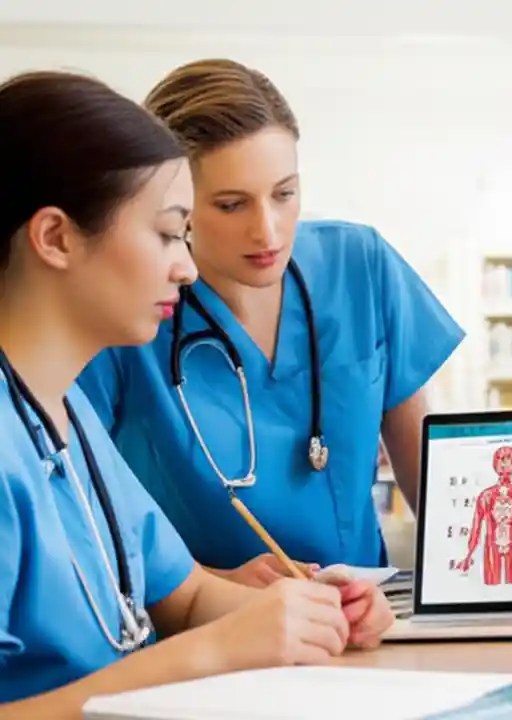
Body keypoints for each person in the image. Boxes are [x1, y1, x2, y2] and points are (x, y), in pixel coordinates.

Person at [0, 70, 392, 715]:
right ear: (56, 238)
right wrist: (209, 654)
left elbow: (184, 596)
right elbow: (195, 639)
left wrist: (317, 612)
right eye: (165, 233)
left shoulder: (68, 417)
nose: (185, 268)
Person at [77, 58, 465, 587]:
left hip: (368, 616)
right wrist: (214, 588)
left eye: (284, 194)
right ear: (176, 204)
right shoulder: (129, 313)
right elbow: (80, 519)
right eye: (232, 205)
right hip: (213, 633)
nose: (268, 231)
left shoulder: (361, 265)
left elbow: (436, 493)